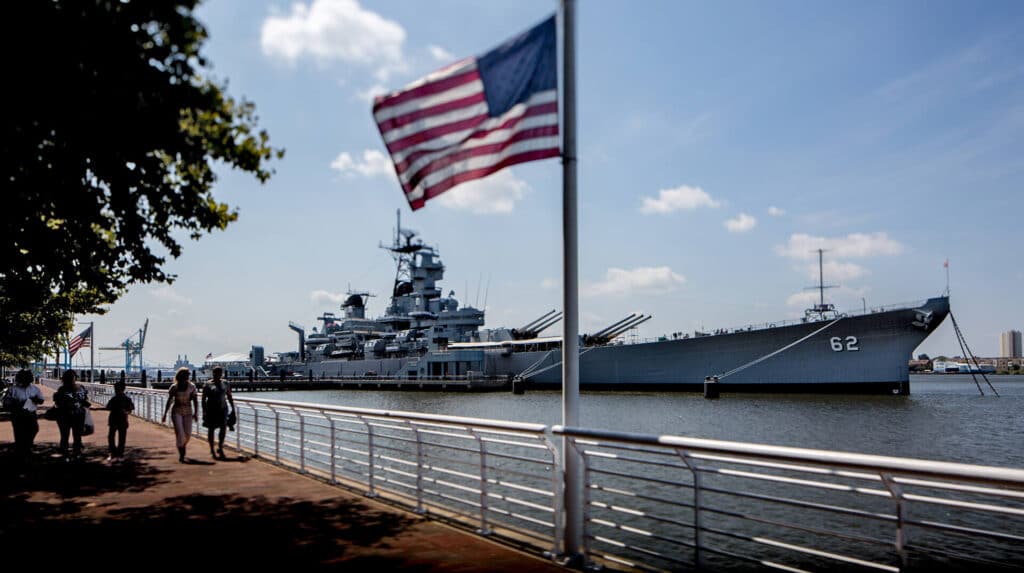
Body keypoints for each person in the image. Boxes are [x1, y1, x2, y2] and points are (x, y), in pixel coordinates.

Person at [6, 369, 45, 461]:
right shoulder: (13, 389)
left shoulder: (35, 389)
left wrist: (36, 400)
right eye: (24, 377)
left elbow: (41, 400)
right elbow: (6, 403)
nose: (26, 379)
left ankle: (27, 446)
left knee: (34, 429)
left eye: (28, 377)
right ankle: (21, 454)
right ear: (20, 378)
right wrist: (15, 403)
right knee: (19, 434)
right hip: (18, 416)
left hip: (31, 415)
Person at [161, 367, 198, 462]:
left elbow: (195, 400)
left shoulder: (192, 387)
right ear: (181, 375)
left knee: (188, 434)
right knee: (180, 433)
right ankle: (182, 453)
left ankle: (182, 445)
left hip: (188, 411)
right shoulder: (174, 387)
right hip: (177, 411)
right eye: (186, 374)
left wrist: (196, 413)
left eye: (188, 374)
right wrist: (165, 414)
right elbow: (170, 400)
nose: (188, 376)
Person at [53, 370, 90, 462]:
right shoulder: (79, 388)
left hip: (69, 416)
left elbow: (58, 403)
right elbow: (85, 400)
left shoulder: (63, 389)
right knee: (73, 436)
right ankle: (74, 454)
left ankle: (68, 455)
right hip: (72, 415)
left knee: (68, 436)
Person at [202, 366, 236, 459]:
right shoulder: (208, 384)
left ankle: (220, 447)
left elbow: (229, 396)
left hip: (223, 409)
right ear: (213, 373)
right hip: (211, 409)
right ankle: (212, 449)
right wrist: (204, 411)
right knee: (211, 429)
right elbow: (203, 399)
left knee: (223, 428)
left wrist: (233, 409)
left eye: (220, 373)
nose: (218, 375)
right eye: (216, 373)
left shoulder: (225, 383)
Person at [105, 380, 135, 461]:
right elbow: (130, 409)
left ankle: (114, 453)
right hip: (121, 420)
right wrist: (126, 412)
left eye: (116, 388)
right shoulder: (126, 399)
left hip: (114, 419)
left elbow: (108, 407)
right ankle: (119, 454)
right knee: (121, 438)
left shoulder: (115, 398)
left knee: (112, 437)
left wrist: (126, 411)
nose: (115, 390)